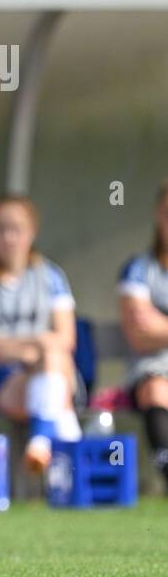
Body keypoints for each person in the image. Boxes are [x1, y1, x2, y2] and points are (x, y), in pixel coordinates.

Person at [0, 194, 82, 474]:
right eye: (0, 229)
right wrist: (35, 345)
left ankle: (41, 443)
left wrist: (37, 350)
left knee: (53, 361)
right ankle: (65, 460)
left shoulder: (51, 276)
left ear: (31, 232)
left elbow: (67, 339)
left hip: (47, 374)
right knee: (54, 373)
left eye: (16, 229)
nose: (8, 237)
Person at [116, 180, 168, 489]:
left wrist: (158, 324)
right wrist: (150, 329)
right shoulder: (138, 269)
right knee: (156, 390)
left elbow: (152, 328)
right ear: (157, 216)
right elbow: (139, 335)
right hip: (153, 371)